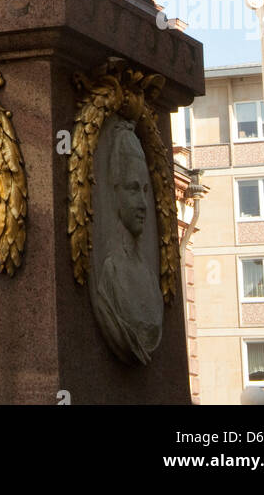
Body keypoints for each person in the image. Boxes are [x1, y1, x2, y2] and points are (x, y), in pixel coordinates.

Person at [90, 119, 164, 365]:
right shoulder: (110, 273)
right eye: (132, 189)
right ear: (115, 192)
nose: (143, 203)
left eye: (145, 190)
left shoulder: (150, 278)